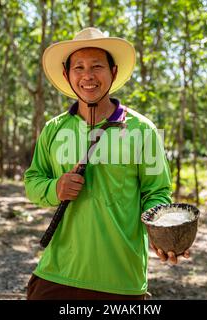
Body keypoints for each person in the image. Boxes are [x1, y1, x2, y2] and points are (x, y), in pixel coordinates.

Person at [24, 27, 190, 300]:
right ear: (67, 75)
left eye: (97, 66)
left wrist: (163, 229)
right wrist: (56, 188)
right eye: (78, 67)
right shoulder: (54, 129)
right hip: (57, 272)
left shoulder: (142, 130)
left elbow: (156, 192)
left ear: (113, 71)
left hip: (120, 278)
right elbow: (32, 181)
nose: (87, 75)